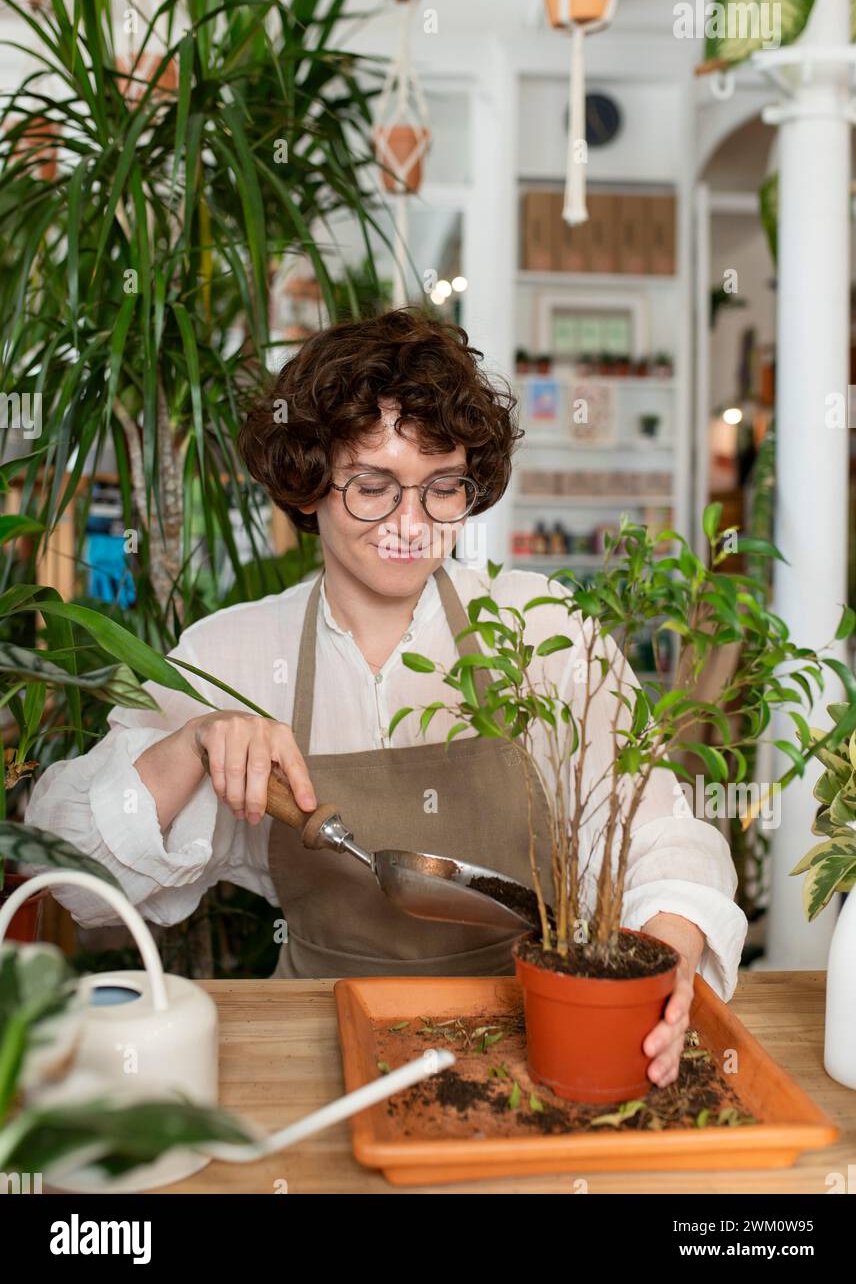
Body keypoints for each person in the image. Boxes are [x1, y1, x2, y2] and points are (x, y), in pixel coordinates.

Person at [23, 307, 747, 1089]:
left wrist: (666, 961)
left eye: (442, 489)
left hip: (529, 1049)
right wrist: (189, 745)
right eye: (374, 486)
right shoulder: (225, 654)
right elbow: (67, 879)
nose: (411, 524)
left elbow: (661, 833)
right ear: (309, 481)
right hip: (312, 1050)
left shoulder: (544, 628)